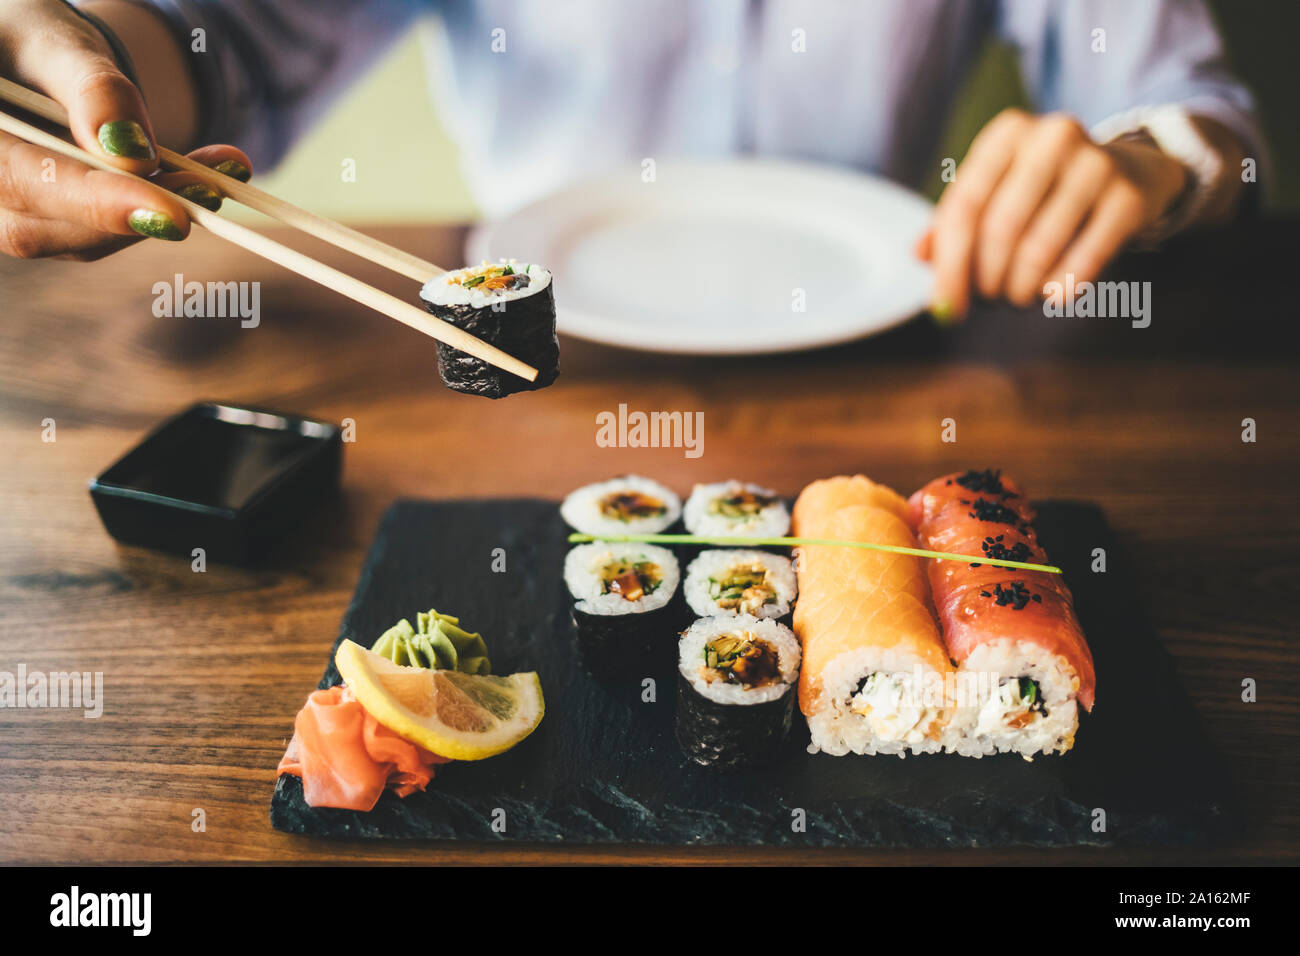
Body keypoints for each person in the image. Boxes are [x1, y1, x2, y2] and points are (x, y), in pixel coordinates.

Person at [0, 0, 1263, 321]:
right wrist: (81, 53)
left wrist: (1143, 164)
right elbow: (223, 41)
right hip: (519, 363)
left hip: (904, 329)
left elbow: (1195, 109)